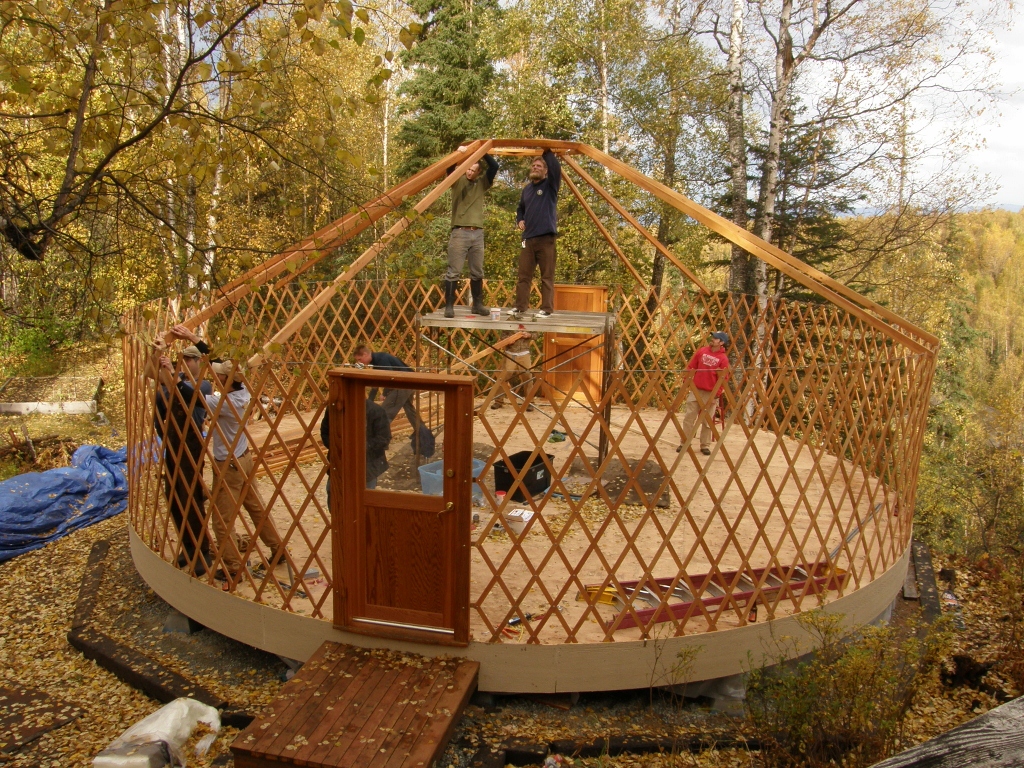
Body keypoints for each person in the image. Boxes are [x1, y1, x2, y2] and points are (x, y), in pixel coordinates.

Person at [164, 342, 286, 589]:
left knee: (222, 521)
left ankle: (232, 568)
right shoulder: (242, 393)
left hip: (228, 466)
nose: (214, 376)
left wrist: (169, 372)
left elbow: (191, 396)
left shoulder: (222, 404)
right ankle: (278, 548)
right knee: (256, 508)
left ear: (226, 380)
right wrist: (194, 339)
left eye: (218, 375)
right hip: (244, 460)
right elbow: (220, 363)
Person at [150, 326, 213, 575]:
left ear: (199, 361)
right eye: (182, 359)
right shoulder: (173, 380)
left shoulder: (204, 385)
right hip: (173, 443)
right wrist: (156, 356)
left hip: (192, 443)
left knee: (190, 497)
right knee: (172, 496)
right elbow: (160, 402)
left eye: (190, 359)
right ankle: (187, 547)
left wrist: (169, 373)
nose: (186, 363)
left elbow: (189, 395)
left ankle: (202, 551)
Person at [444, 148, 499, 318]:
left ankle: (478, 305)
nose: (470, 172)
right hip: (460, 231)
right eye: (468, 168)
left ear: (478, 172)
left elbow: (494, 166)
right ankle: (449, 306)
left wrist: (482, 152)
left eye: (474, 170)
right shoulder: (457, 181)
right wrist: (459, 153)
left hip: (477, 233)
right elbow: (449, 168)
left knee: (477, 271)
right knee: (454, 270)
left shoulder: (481, 184)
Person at [510, 149, 561, 320]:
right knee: (523, 276)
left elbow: (556, 168)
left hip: (546, 238)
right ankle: (520, 307)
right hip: (528, 239)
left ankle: (546, 308)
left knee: (547, 276)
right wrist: (520, 219)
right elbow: (520, 208)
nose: (535, 167)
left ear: (545, 171)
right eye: (534, 165)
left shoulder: (550, 186)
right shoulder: (527, 190)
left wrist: (547, 152)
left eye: (539, 166)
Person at [320, 399, 392, 498]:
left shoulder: (375, 410)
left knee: (363, 499)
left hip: (367, 465)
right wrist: (338, 447)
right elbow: (325, 432)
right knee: (334, 496)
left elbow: (384, 438)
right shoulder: (334, 409)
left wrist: (361, 448)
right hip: (339, 463)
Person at [681, 331, 731, 456]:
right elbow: (691, 366)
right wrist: (686, 381)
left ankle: (705, 445)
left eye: (716, 338)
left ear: (722, 343)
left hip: (710, 392)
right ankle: (684, 443)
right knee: (689, 417)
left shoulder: (723, 359)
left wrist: (716, 395)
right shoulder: (702, 351)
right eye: (713, 337)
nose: (713, 339)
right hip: (696, 389)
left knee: (707, 420)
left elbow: (723, 379)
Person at [490, 331, 534, 411]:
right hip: (511, 352)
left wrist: (529, 335)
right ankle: (498, 401)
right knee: (504, 375)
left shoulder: (528, 320)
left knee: (527, 376)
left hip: (524, 353)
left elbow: (536, 334)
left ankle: (529, 403)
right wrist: (508, 340)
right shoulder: (510, 319)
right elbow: (502, 336)